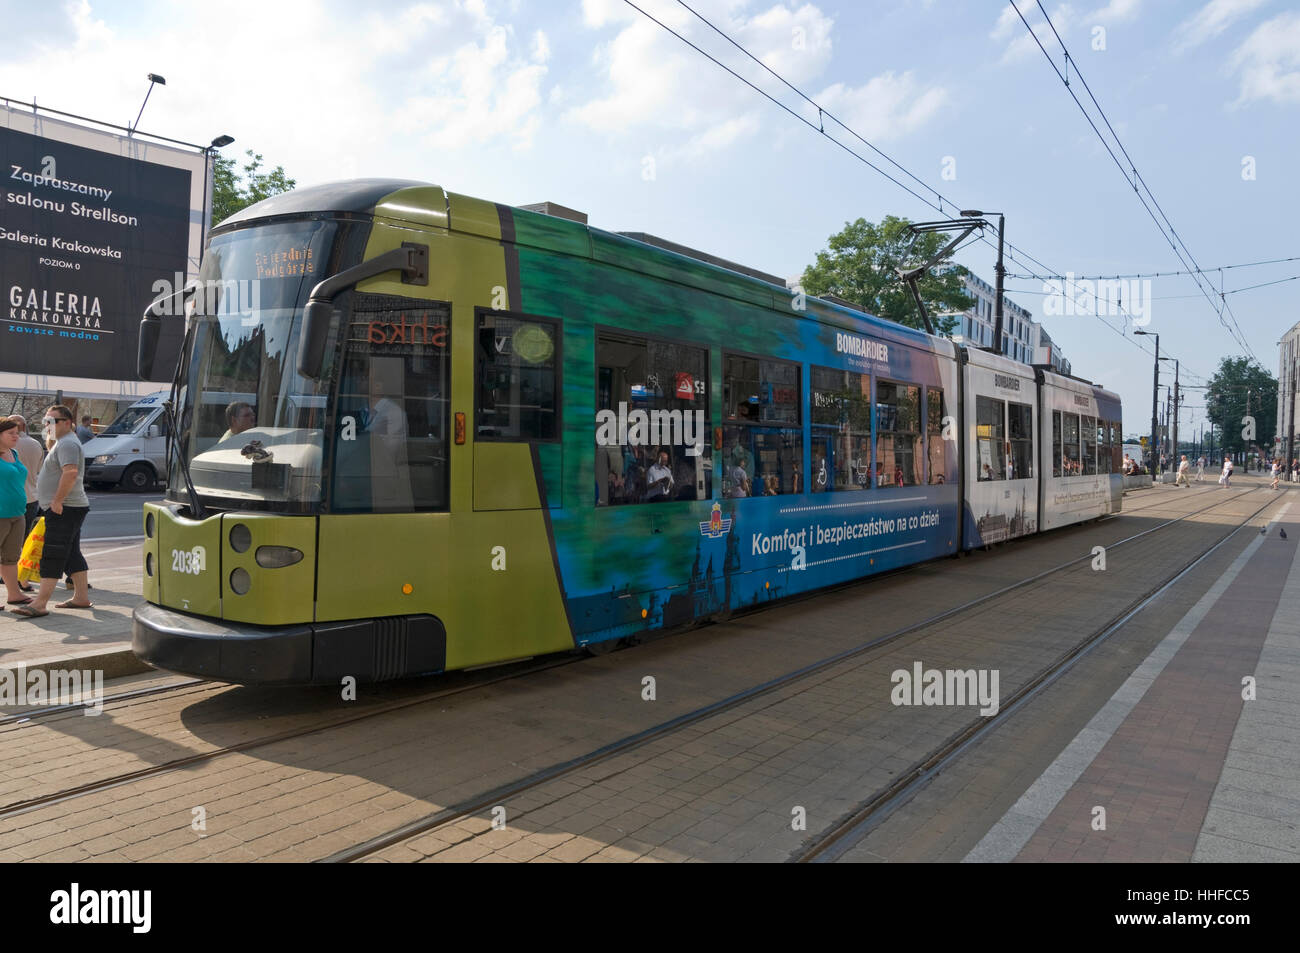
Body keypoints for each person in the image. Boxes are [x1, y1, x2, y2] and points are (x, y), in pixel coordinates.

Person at [10, 406, 92, 617]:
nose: (48, 425)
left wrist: (57, 501)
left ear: (67, 422)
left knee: (53, 553)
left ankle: (39, 604)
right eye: (46, 421)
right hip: (69, 506)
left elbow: (71, 472)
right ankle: (81, 597)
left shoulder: (68, 444)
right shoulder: (63, 442)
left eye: (52, 421)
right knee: (71, 553)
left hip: (65, 507)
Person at [0, 419, 31, 609]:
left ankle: (14, 594)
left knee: (11, 557)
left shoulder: (14, 453)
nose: (15, 436)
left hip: (18, 514)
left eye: (17, 432)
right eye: (10, 432)